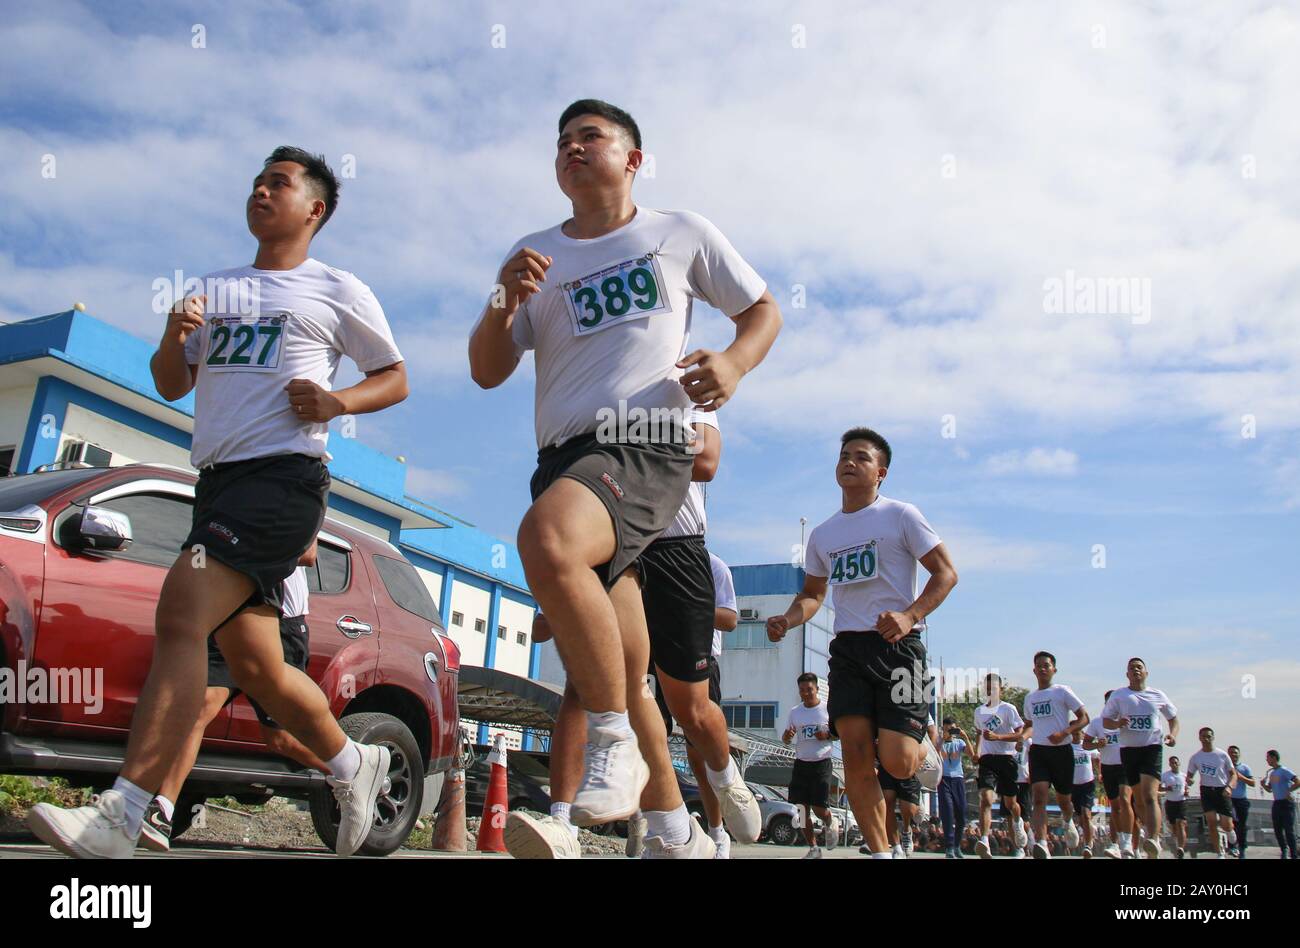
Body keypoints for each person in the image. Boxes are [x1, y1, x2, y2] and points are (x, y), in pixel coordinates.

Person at [28, 147, 408, 859]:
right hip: (219, 483)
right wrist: (173, 337)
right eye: (259, 181)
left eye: (280, 184)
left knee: (180, 615)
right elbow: (171, 382)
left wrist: (337, 400)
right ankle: (356, 765)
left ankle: (126, 809)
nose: (262, 191)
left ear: (314, 209)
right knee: (258, 667)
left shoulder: (336, 289)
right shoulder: (215, 287)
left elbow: (394, 376)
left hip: (283, 478)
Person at [470, 99, 781, 858]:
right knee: (621, 661)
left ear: (633, 158)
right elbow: (485, 369)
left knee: (545, 541)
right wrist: (504, 295)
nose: (572, 148)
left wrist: (734, 364)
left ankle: (619, 747)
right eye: (561, 142)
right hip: (565, 459)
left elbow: (763, 308)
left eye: (591, 137)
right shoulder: (533, 254)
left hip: (642, 443)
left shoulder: (679, 233)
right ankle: (674, 828)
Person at [767, 428, 958, 860]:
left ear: (881, 472)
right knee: (853, 750)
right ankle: (880, 851)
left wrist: (910, 615)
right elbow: (814, 595)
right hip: (849, 651)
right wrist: (787, 618)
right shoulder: (823, 534)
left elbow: (945, 573)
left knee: (898, 764)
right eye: (844, 456)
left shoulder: (902, 516)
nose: (849, 462)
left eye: (861, 457)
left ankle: (918, 746)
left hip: (901, 650)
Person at [141, 544, 325, 851]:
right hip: (233, 618)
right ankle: (162, 811)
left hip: (280, 626)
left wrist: (247, 541)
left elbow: (308, 554)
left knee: (280, 741)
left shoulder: (297, 497)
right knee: (198, 708)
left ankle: (351, 770)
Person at [1102, 657, 1179, 859]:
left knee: (1149, 795)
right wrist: (1118, 723)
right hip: (1129, 750)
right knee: (1139, 803)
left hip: (1152, 748)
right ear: (1127, 674)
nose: (1135, 670)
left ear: (1146, 672)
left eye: (1139, 667)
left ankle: (1153, 838)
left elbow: (1173, 719)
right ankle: (1151, 833)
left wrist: (1173, 735)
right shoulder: (1119, 696)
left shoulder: (1157, 695)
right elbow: (1106, 721)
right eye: (1131, 668)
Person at [1022, 651, 1089, 859]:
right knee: (1039, 796)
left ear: (1054, 669)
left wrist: (1064, 733)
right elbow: (1030, 725)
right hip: (1039, 751)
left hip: (1062, 751)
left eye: (1046, 665)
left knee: (1064, 800)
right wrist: (1021, 738)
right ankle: (1041, 843)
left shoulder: (1062, 691)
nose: (1042, 668)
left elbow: (1084, 718)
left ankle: (1068, 820)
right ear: (1034, 670)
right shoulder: (1030, 698)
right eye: (1039, 665)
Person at [782, 672, 839, 859]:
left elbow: (838, 734)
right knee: (800, 810)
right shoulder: (795, 712)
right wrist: (787, 737)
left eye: (809, 690)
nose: (806, 693)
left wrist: (828, 736)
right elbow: (786, 739)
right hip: (801, 763)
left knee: (818, 808)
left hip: (821, 762)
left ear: (817, 689)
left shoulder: (827, 710)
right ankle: (814, 849)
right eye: (802, 690)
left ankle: (830, 821)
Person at [973, 673, 1028, 859]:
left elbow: (1020, 733)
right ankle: (984, 840)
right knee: (986, 799)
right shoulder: (979, 711)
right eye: (987, 689)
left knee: (1010, 804)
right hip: (988, 760)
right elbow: (979, 734)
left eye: (993, 688)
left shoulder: (1008, 709)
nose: (990, 692)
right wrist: (977, 751)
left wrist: (999, 737)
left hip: (1007, 759)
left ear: (1000, 689)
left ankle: (1018, 823)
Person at [877, 714, 939, 858]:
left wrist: (929, 754)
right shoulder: (884, 701)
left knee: (908, 809)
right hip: (888, 759)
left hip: (911, 760)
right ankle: (897, 846)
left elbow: (932, 731)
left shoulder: (916, 704)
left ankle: (906, 830)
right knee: (887, 800)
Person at [1086, 690, 1133, 858]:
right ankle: (1116, 844)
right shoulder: (1098, 722)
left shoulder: (1127, 721)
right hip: (1108, 767)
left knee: (1125, 799)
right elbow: (1085, 744)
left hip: (1126, 766)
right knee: (1115, 807)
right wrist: (1096, 744)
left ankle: (1128, 842)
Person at [1185, 728, 1236, 858]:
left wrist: (1229, 787)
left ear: (1213, 737)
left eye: (1208, 736)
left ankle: (1231, 834)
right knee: (1212, 823)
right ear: (1199, 738)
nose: (1206, 739)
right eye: (1203, 736)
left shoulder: (1222, 755)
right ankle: (1220, 852)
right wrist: (1189, 781)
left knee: (1226, 824)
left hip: (1221, 790)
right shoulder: (1196, 757)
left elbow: (1233, 774)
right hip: (1207, 791)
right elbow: (1189, 775)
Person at [938, 717, 975, 858]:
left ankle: (957, 845)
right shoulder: (939, 742)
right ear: (944, 728)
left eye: (953, 728)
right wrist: (943, 738)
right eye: (948, 728)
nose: (950, 731)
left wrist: (965, 736)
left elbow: (972, 755)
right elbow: (935, 752)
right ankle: (949, 847)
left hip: (958, 779)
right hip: (944, 779)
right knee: (947, 812)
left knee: (961, 813)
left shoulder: (959, 742)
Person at [1069, 730, 1101, 857]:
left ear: (1082, 735)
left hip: (1087, 784)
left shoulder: (1087, 747)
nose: (1075, 735)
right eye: (1073, 733)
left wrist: (1099, 773)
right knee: (1080, 818)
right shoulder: (1066, 748)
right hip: (1073, 786)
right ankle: (1089, 830)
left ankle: (1088, 845)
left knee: (1086, 814)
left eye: (1078, 733)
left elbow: (1097, 758)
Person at [1262, 749, 1298, 859]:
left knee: (1289, 830)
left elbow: (1298, 781)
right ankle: (1284, 849)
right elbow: (1269, 789)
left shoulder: (1284, 770)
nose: (1266, 760)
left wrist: (1289, 790)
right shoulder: (1271, 773)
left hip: (1287, 803)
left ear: (1273, 757)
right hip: (1277, 803)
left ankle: (1294, 854)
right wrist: (1263, 785)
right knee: (1277, 829)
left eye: (1268, 757)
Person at [1157, 755, 1188, 859]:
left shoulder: (1184, 776)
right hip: (1170, 802)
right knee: (1174, 827)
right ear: (1169, 764)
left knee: (1181, 824)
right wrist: (1166, 788)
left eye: (1176, 762)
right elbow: (1158, 786)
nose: (1174, 764)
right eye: (1172, 763)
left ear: (1179, 763)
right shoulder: (1165, 775)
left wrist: (1187, 791)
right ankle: (1177, 846)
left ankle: (1181, 848)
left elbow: (1187, 787)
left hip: (1181, 802)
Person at [1227, 745, 1254, 859]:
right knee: (1229, 824)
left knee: (1241, 826)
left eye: (1235, 753)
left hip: (1241, 800)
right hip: (1228, 800)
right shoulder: (1225, 767)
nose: (1233, 755)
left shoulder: (1245, 768)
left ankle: (1242, 849)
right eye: (1231, 753)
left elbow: (1252, 783)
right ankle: (1232, 846)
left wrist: (1240, 777)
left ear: (1239, 754)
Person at [1014, 737, 1033, 856]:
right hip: (1010, 780)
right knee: (1010, 816)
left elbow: (1034, 757)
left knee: (1025, 818)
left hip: (1024, 781)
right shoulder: (1005, 737)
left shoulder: (1028, 741)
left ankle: (1027, 843)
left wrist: (1032, 772)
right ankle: (1017, 848)